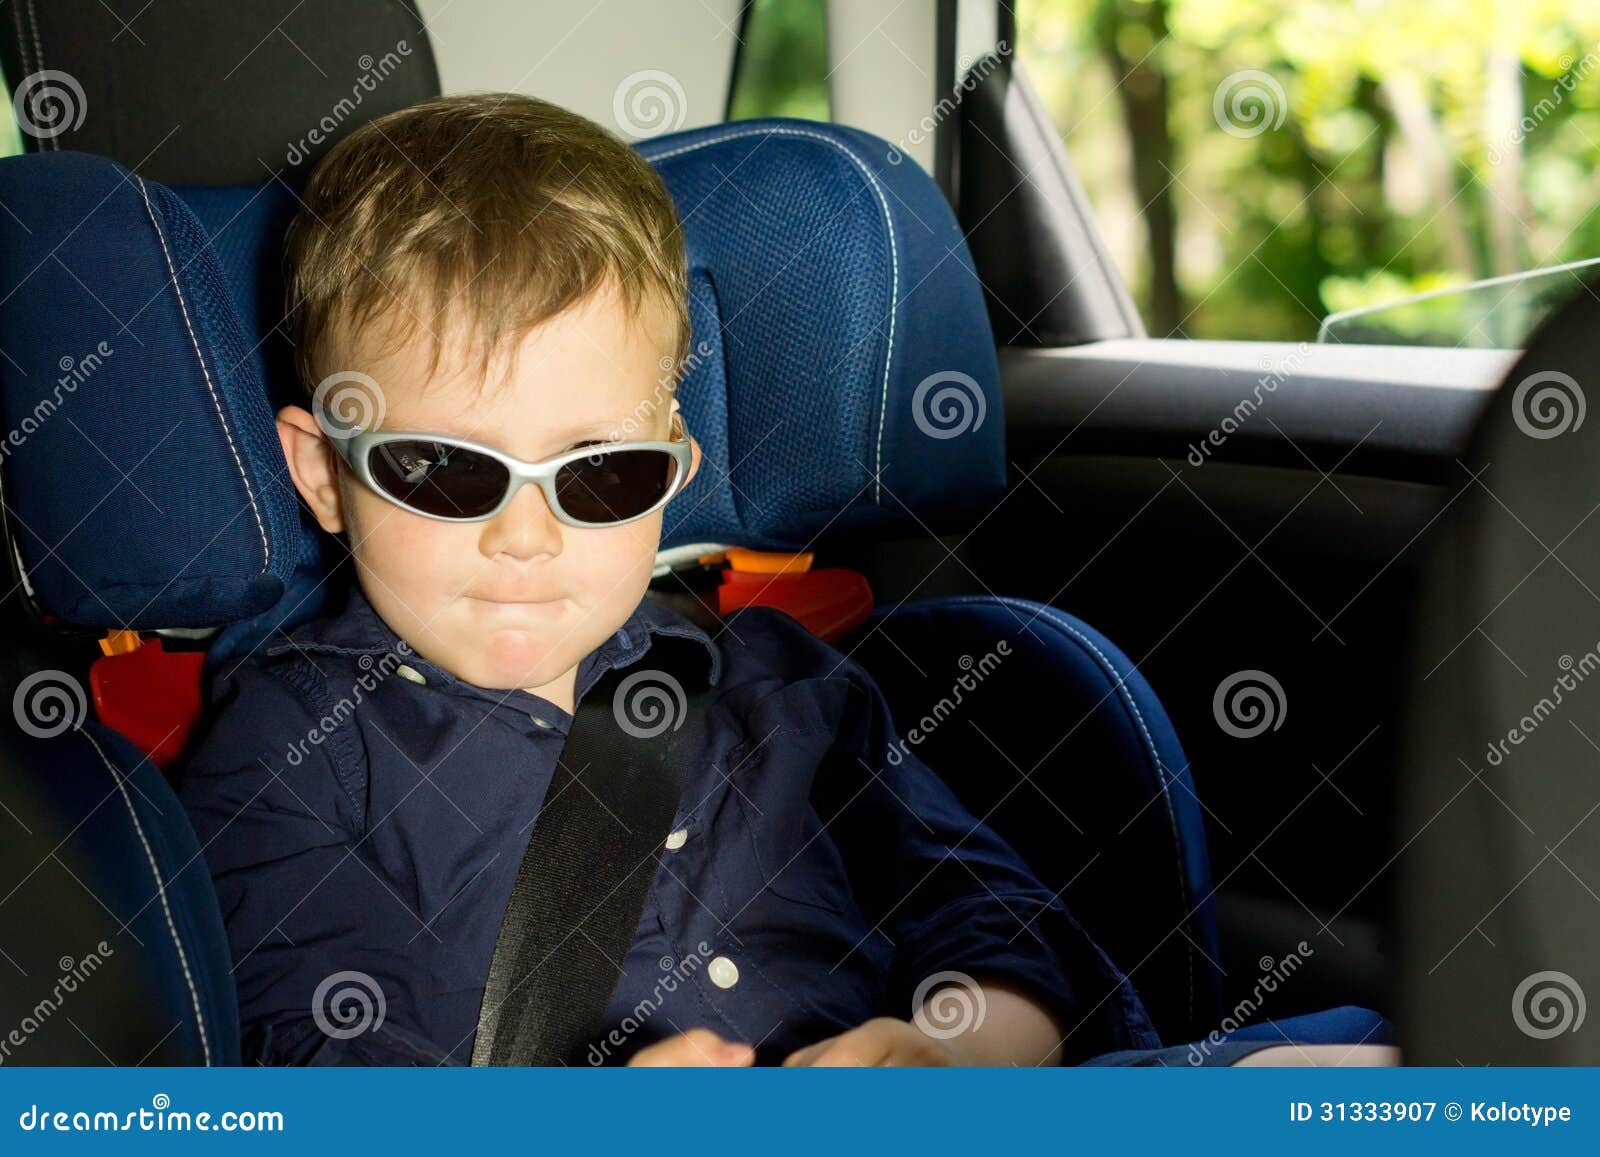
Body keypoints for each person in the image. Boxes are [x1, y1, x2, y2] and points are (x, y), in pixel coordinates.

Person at [178, 92, 1389, 1068]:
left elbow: (1000, 918)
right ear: (323, 472)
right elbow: (318, 1062)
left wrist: (954, 1044)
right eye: (444, 469)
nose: (526, 535)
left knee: (1370, 1063)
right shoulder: (285, 756)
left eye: (599, 472)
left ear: (672, 474)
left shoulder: (786, 687)